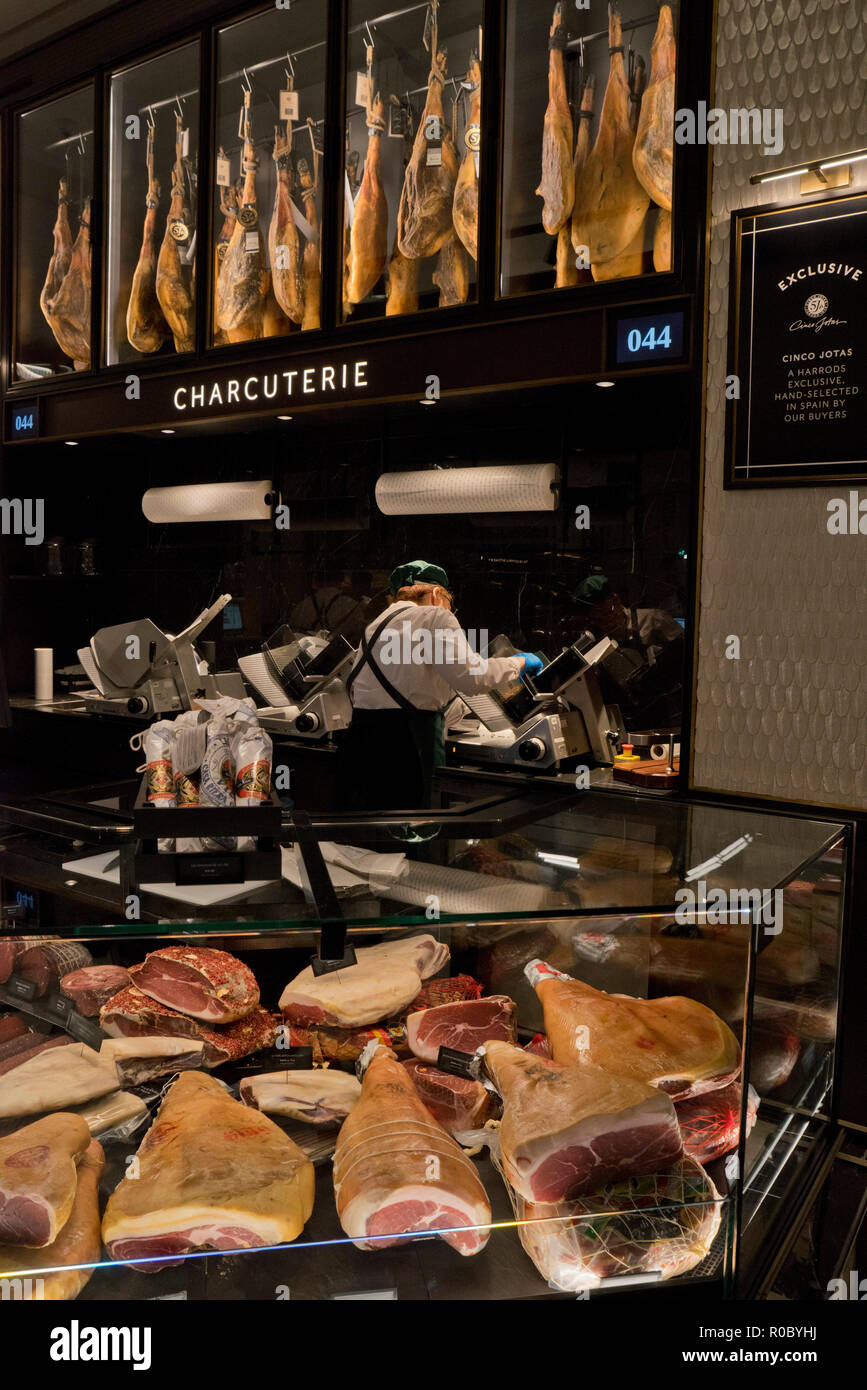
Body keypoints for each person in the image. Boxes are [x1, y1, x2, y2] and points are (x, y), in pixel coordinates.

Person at [338, 560, 542, 811]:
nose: (451, 611)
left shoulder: (374, 626)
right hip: (408, 747)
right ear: (437, 594)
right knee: (417, 826)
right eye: (449, 602)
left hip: (362, 742)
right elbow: (473, 678)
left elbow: (408, 688)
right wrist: (519, 662)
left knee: (375, 829)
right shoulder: (436, 616)